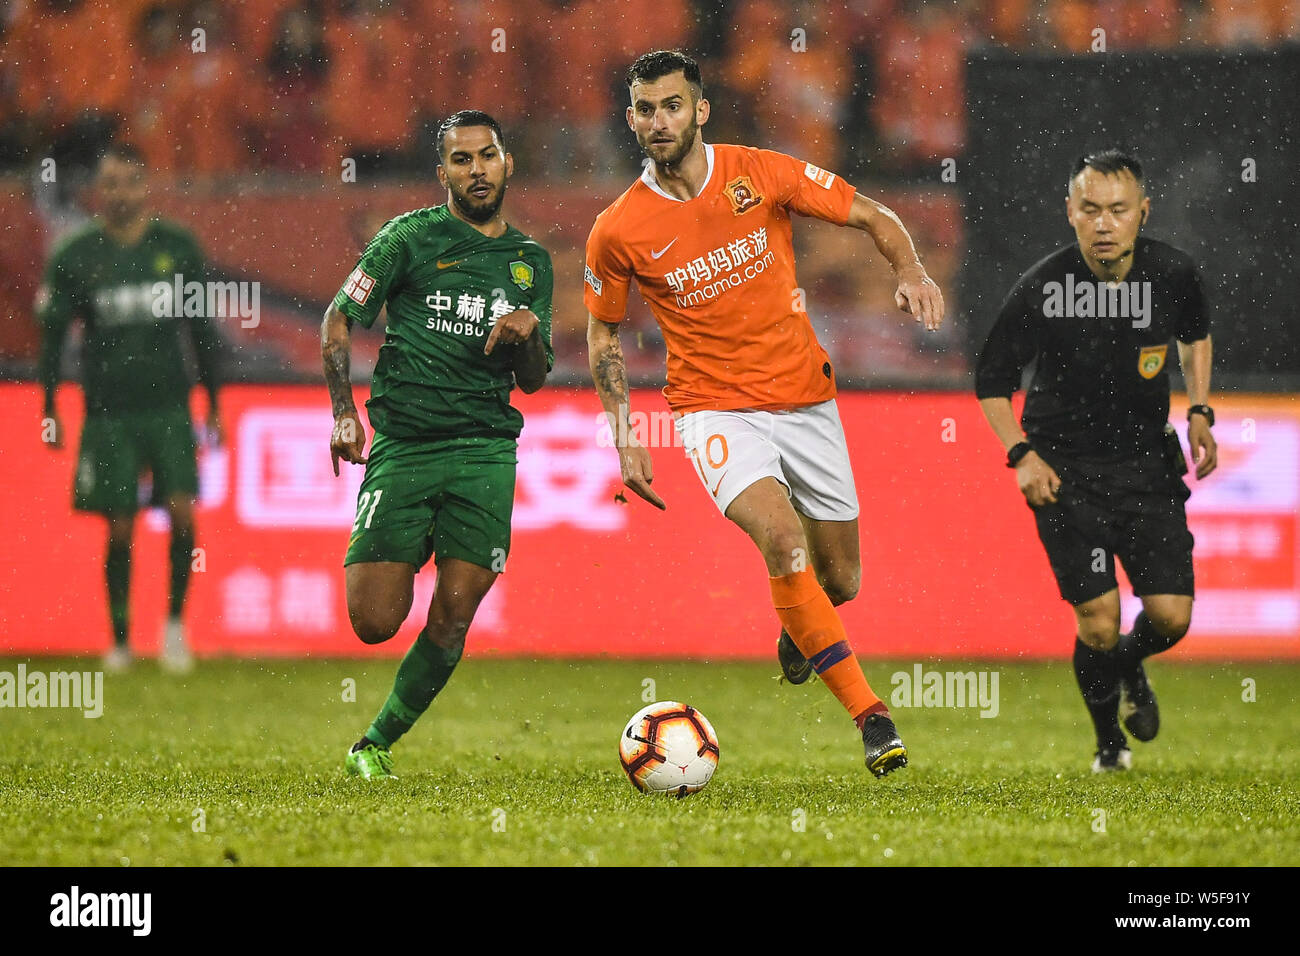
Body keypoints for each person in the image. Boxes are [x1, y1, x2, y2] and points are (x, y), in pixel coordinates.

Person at [584, 51, 945, 777]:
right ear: (631, 120)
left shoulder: (762, 172)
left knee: (839, 582)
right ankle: (872, 717)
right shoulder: (618, 228)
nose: (660, 122)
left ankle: (802, 631)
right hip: (715, 410)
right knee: (783, 543)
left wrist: (910, 270)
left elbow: (872, 215)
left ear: (700, 110)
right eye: (646, 111)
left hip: (805, 397)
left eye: (673, 106)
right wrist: (625, 434)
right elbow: (603, 333)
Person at [324, 110, 553, 780]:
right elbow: (340, 316)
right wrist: (344, 413)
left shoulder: (529, 263)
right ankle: (409, 536)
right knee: (373, 620)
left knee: (453, 616)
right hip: (405, 445)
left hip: (485, 452)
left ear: (507, 162)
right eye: (461, 159)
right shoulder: (408, 239)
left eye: (487, 155)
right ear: (442, 172)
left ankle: (375, 743)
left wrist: (529, 334)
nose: (476, 170)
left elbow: (534, 382)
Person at [975, 150, 1217, 772]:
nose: (1104, 223)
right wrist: (1022, 456)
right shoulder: (1043, 286)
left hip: (1146, 467)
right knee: (1099, 621)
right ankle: (1109, 744)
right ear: (1070, 213)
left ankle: (1132, 663)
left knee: (1170, 616)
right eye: (1091, 210)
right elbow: (992, 378)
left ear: (1143, 211)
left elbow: (1194, 334)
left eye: (1117, 210)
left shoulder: (1174, 273)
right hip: (1065, 472)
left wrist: (1199, 411)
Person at [38, 143, 224, 674]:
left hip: (168, 407)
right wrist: (49, 406)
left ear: (146, 186)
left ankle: (173, 626)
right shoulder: (76, 255)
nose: (121, 193)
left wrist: (213, 404)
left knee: (183, 515)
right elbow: (52, 339)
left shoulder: (178, 247)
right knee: (119, 525)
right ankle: (120, 638)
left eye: (130, 182)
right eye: (111, 183)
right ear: (100, 189)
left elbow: (203, 333)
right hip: (108, 413)